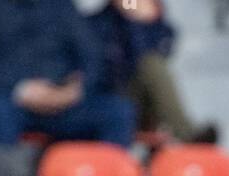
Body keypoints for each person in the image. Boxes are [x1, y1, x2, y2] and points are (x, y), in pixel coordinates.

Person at [0, 0, 135, 148]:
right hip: (2, 99)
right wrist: (20, 89)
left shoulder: (59, 4)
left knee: (118, 111)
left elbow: (91, 54)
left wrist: (75, 89)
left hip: (61, 101)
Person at [77, 0, 217, 144]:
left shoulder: (155, 26)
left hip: (140, 101)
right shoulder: (94, 24)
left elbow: (157, 49)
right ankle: (188, 135)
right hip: (108, 100)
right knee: (151, 67)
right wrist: (129, 12)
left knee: (152, 67)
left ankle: (181, 139)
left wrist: (140, 19)